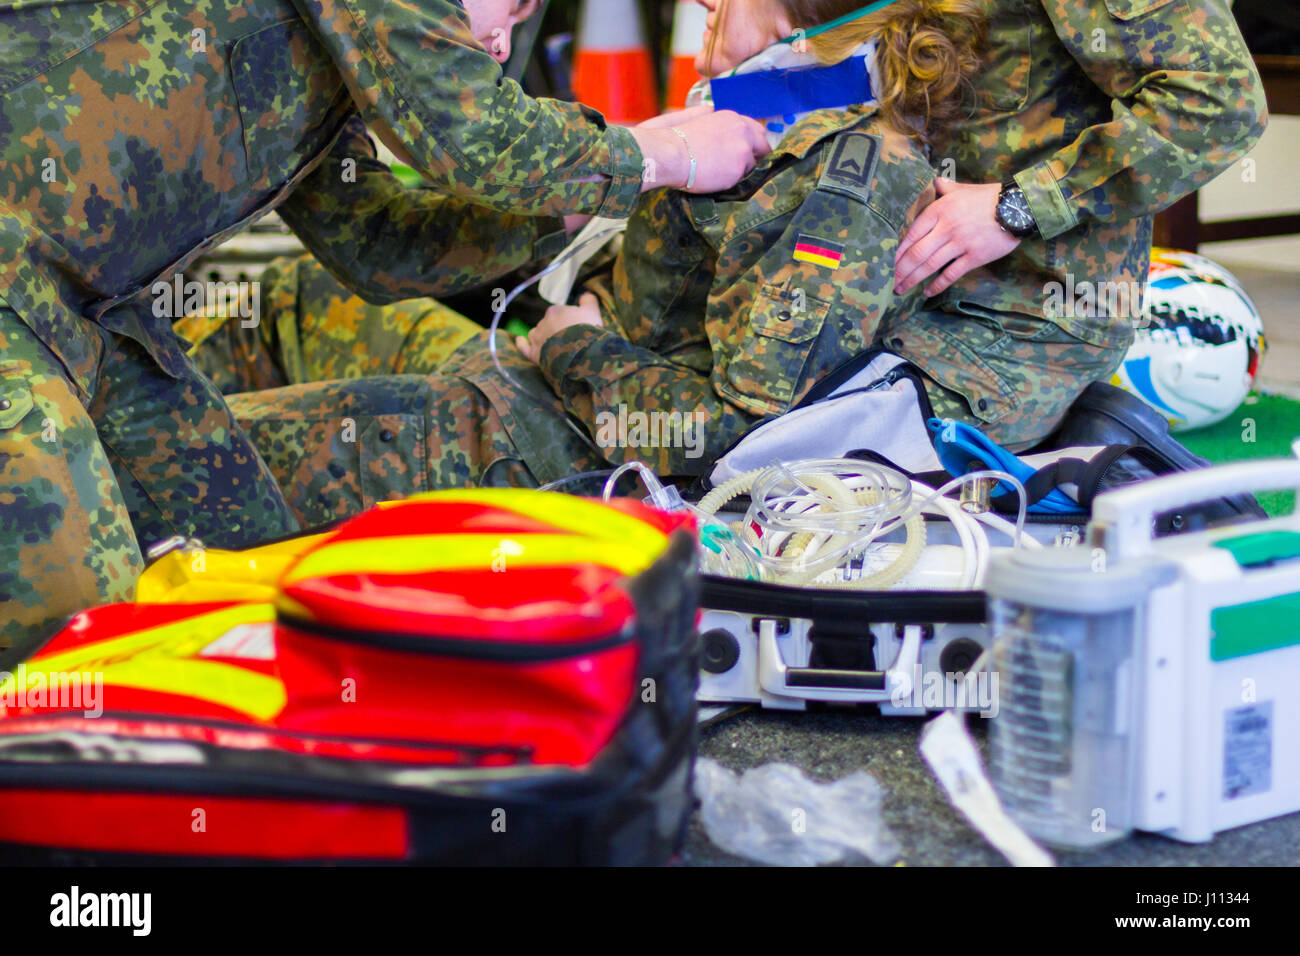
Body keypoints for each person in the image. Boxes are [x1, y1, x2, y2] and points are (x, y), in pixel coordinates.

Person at [0, 0, 772, 647]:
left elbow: (378, 243)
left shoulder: (329, 65)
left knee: (238, 563)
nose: (503, 45)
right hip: (15, 298)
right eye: (516, 5)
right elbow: (469, 132)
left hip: (81, 313)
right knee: (77, 640)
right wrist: (654, 154)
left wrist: (578, 197)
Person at [211, 0, 997, 530]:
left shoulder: (849, 173)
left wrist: (572, 346)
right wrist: (621, 171)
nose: (702, 9)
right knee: (289, 297)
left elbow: (745, 446)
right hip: (523, 379)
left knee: (183, 460)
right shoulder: (750, 116)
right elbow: (379, 243)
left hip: (546, 449)